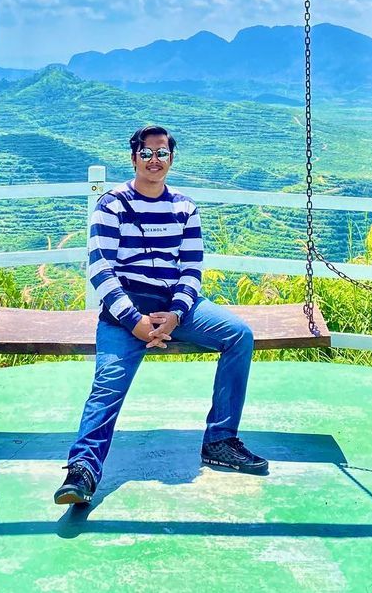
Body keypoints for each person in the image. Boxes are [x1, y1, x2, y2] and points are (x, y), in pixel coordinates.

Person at [54, 124, 268, 506]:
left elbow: (191, 269)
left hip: (176, 307)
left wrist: (175, 314)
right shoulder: (112, 205)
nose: (155, 160)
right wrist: (134, 320)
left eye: (163, 153)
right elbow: (101, 270)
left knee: (238, 335)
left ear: (172, 158)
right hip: (125, 310)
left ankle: (220, 439)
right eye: (148, 153)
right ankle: (82, 470)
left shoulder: (184, 208)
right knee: (109, 383)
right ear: (134, 156)